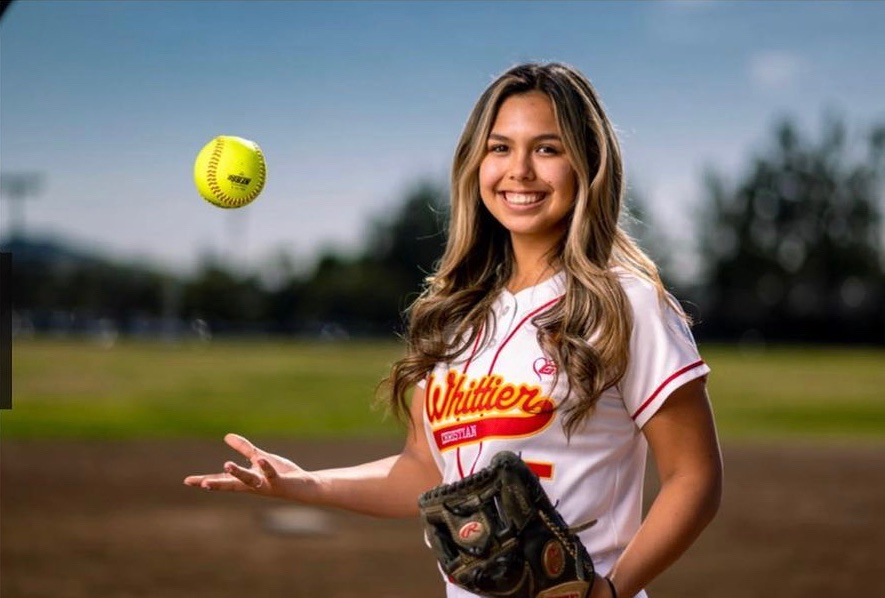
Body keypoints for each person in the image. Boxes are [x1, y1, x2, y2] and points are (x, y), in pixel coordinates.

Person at [184, 62, 723, 598]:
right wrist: (306, 483)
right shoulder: (456, 315)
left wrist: (607, 593)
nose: (520, 171)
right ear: (475, 164)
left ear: (588, 164)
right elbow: (424, 469)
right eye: (500, 148)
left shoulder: (625, 303)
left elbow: (694, 477)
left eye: (547, 148)